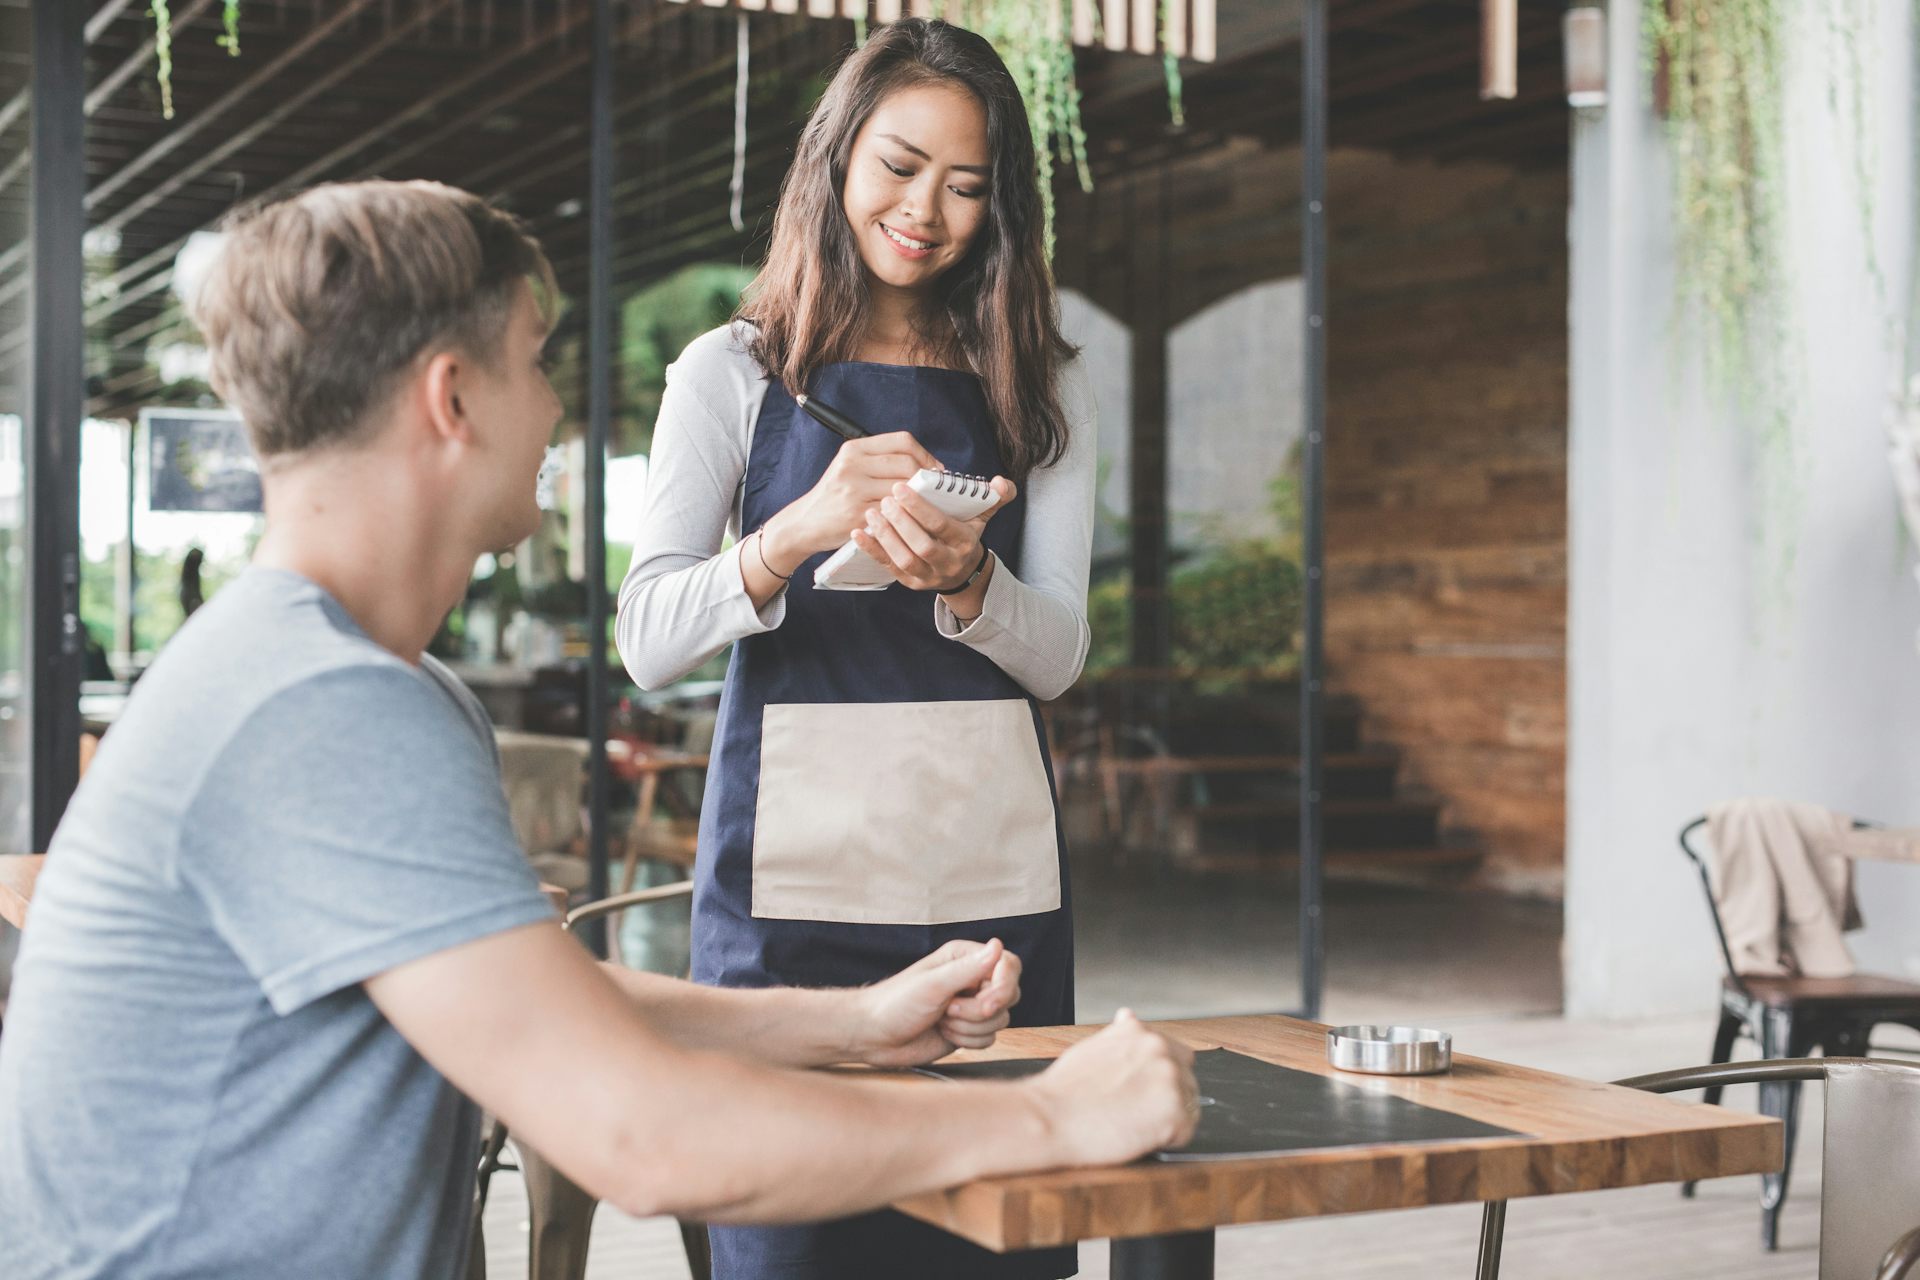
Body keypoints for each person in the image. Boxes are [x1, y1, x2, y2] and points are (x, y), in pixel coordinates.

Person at [0, 180, 1197, 1280]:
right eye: (537, 360)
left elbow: (542, 1001)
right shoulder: (319, 707)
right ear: (452, 398)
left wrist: (851, 1021)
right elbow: (640, 1131)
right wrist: (1050, 1115)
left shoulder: (378, 684)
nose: (562, 408)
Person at [616, 20, 1098, 1278]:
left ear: (1003, 206)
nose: (925, 210)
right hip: (790, 906)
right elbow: (646, 636)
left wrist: (973, 581)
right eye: (897, 164)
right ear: (833, 158)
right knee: (791, 1239)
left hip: (988, 900)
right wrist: (792, 533)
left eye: (966, 182)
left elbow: (1059, 657)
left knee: (1002, 1241)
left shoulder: (1042, 383)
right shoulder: (729, 370)